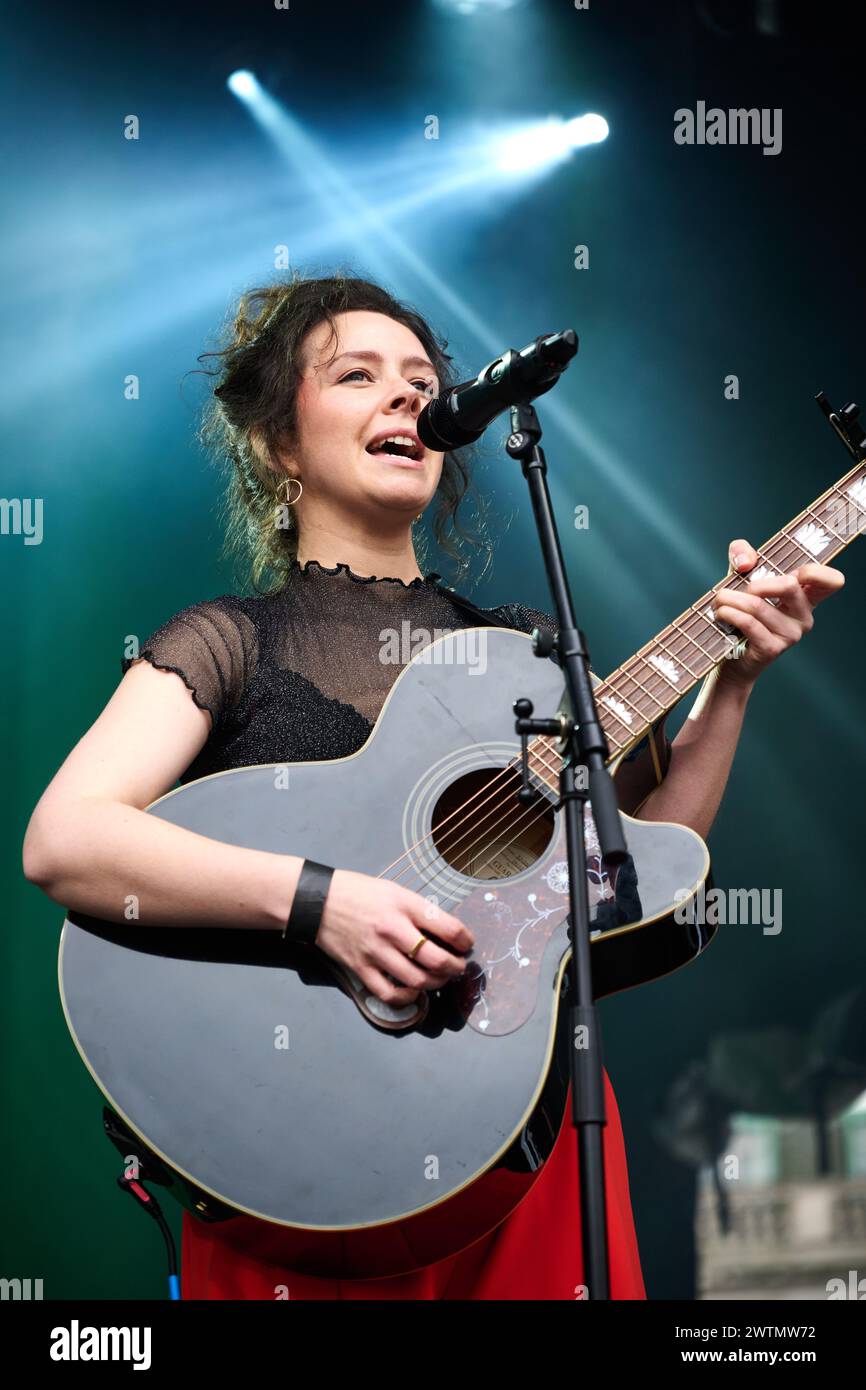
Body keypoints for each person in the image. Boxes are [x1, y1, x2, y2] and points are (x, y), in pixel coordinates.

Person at [22, 274, 844, 1300]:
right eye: (356, 376)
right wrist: (326, 901)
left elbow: (639, 872)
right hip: (288, 1164)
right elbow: (65, 839)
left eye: (421, 380)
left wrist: (731, 680)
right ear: (279, 445)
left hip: (519, 1143)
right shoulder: (229, 640)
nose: (405, 397)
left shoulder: (532, 655)